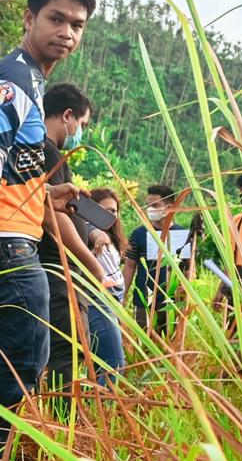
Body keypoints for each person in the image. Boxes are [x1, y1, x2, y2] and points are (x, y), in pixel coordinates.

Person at [0, 0, 97, 461]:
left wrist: (46, 192)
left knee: (19, 355)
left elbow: (13, 163)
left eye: (76, 25)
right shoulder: (15, 78)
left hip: (12, 233)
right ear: (29, 18)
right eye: (56, 19)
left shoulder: (33, 79)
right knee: (23, 356)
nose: (67, 32)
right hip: (5, 241)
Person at [35, 83, 111, 400]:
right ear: (67, 116)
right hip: (58, 270)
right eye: (81, 125)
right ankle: (63, 434)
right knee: (66, 353)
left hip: (53, 270)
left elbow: (64, 208)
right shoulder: (49, 151)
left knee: (52, 354)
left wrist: (93, 229)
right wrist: (92, 264)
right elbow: (53, 216)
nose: (80, 132)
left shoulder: (42, 151)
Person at [122, 184, 193, 336]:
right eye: (148, 205)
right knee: (145, 345)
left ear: (169, 207)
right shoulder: (139, 234)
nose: (150, 209)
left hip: (173, 302)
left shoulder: (182, 234)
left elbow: (190, 267)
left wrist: (186, 286)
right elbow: (129, 266)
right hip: (144, 301)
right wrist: (122, 296)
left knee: (171, 343)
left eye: (155, 205)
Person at [84, 187, 127, 383]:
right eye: (105, 210)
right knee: (114, 365)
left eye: (114, 211)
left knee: (106, 365)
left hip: (110, 305)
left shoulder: (112, 237)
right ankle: (102, 410)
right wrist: (98, 234)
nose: (111, 215)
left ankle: (91, 406)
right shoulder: (84, 229)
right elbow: (88, 229)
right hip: (97, 303)